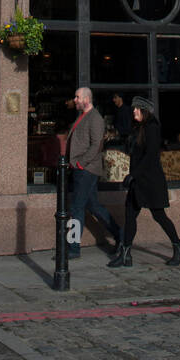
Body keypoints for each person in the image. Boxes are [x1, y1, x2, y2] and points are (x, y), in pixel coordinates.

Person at [108, 96, 180, 269]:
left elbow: (150, 156)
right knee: (130, 216)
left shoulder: (152, 128)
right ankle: (126, 255)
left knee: (159, 216)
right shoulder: (138, 128)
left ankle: (178, 248)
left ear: (145, 111)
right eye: (134, 108)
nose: (133, 111)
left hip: (151, 182)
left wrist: (132, 175)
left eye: (137, 109)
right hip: (138, 182)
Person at [66, 86, 121, 258]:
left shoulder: (95, 118)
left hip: (86, 169)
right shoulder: (83, 117)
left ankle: (73, 248)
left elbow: (96, 145)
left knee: (76, 208)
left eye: (77, 97)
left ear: (86, 99)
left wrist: (80, 163)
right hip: (82, 168)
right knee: (94, 206)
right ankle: (121, 235)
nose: (74, 100)